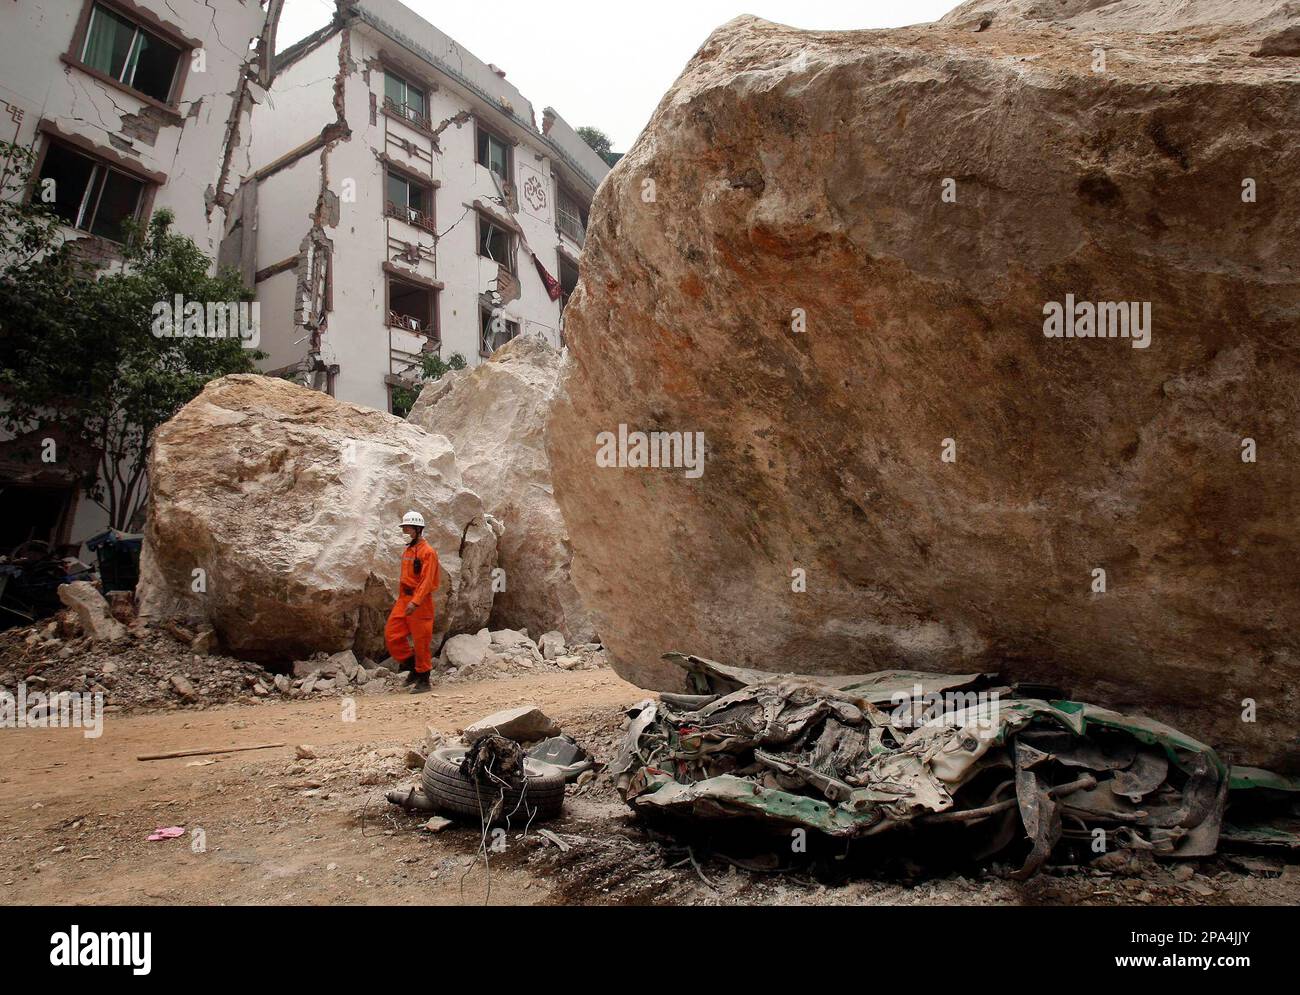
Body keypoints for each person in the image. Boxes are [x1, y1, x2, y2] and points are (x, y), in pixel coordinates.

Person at [384, 510, 440, 694]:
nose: (405, 531)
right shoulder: (409, 550)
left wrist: (415, 602)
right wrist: (404, 599)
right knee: (392, 634)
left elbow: (427, 581)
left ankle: (424, 678)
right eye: (404, 528)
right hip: (405, 598)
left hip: (420, 602)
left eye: (408, 528)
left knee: (421, 640)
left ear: (417, 529)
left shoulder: (428, 552)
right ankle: (413, 667)